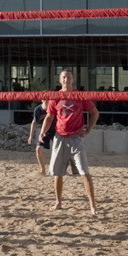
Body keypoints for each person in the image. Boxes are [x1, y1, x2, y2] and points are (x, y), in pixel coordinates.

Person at [41, 69, 99, 213]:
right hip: (60, 137)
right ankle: (58, 202)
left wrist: (89, 128)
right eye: (64, 77)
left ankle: (92, 205)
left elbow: (94, 113)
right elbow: (49, 117)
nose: (66, 79)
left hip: (76, 139)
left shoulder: (79, 96)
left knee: (84, 172)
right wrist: (42, 131)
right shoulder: (55, 97)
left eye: (68, 77)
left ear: (73, 79)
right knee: (57, 173)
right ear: (60, 80)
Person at [27, 100, 54, 174]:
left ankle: (60, 169)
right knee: (38, 149)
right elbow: (34, 122)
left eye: (48, 98)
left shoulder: (53, 107)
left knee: (59, 151)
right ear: (41, 99)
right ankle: (43, 170)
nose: (46, 100)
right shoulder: (38, 109)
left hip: (56, 130)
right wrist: (30, 136)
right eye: (44, 98)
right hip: (44, 131)